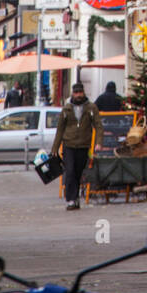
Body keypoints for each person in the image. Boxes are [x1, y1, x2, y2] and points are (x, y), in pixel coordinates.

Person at [52, 81, 101, 211]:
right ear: (72, 94)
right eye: (76, 92)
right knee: (70, 171)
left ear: (83, 92)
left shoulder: (91, 108)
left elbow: (98, 126)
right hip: (69, 145)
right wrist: (55, 149)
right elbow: (60, 129)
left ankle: (75, 198)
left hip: (83, 145)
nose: (78, 95)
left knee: (78, 173)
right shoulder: (66, 109)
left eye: (80, 92)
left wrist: (98, 143)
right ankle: (70, 200)